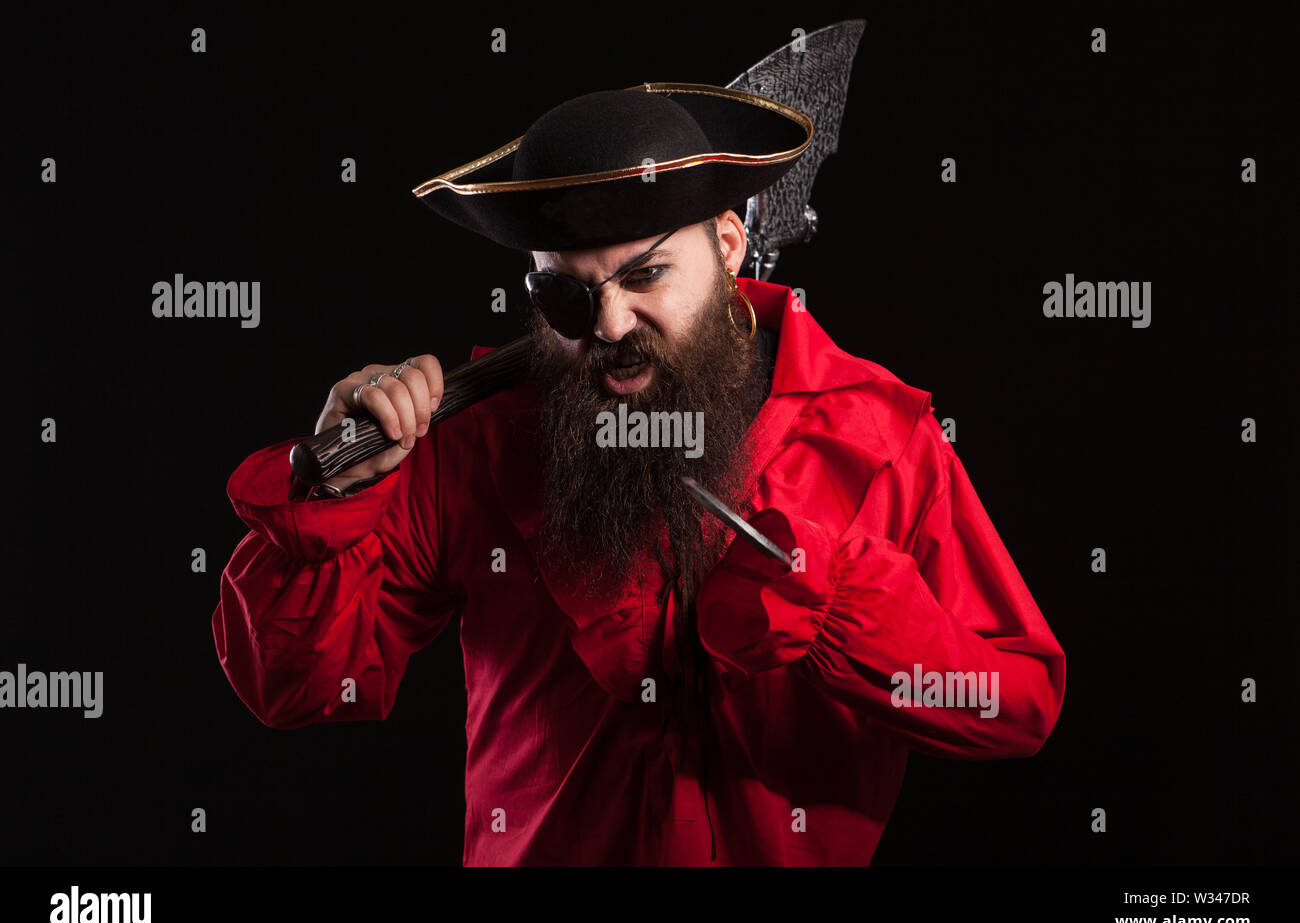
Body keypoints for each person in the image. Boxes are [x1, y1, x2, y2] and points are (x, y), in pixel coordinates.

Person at [212, 84, 1066, 865]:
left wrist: (838, 595)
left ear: (730, 243)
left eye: (646, 274)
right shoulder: (474, 444)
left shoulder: (876, 433)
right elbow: (295, 689)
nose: (613, 324)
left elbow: (1016, 706)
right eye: (569, 297)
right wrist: (339, 496)